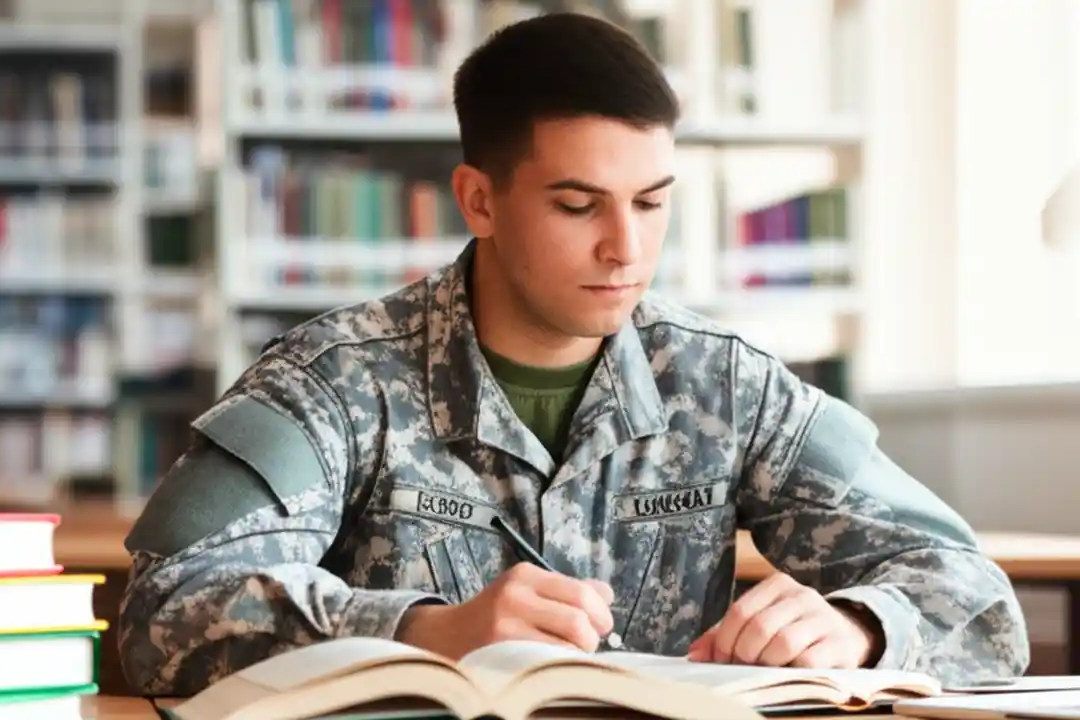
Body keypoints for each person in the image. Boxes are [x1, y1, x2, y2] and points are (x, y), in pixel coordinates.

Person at [118, 13, 1028, 696]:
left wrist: (860, 627)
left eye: (652, 201)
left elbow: (978, 599)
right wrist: (428, 632)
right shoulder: (335, 380)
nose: (625, 248)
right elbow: (163, 615)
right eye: (577, 205)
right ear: (479, 199)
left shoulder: (725, 384)